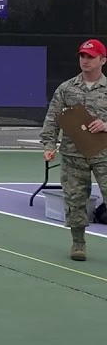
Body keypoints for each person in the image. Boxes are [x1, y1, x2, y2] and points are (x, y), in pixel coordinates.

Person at [40, 38, 107, 262]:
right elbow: (52, 118)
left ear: (102, 60)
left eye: (91, 57)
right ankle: (78, 243)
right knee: (75, 200)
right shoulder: (67, 88)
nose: (85, 60)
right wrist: (49, 145)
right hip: (72, 154)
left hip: (103, 153)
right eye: (82, 56)